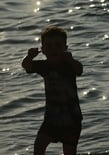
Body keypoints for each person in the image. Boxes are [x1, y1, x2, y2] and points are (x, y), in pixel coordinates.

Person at [22, 26, 84, 155]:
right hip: (51, 117)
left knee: (69, 150)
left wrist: (71, 60)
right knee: (39, 145)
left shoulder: (68, 65)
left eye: (58, 45)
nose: (53, 49)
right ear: (43, 50)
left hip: (71, 118)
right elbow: (26, 66)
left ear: (65, 48)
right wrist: (29, 57)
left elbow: (79, 70)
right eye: (48, 46)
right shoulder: (44, 66)